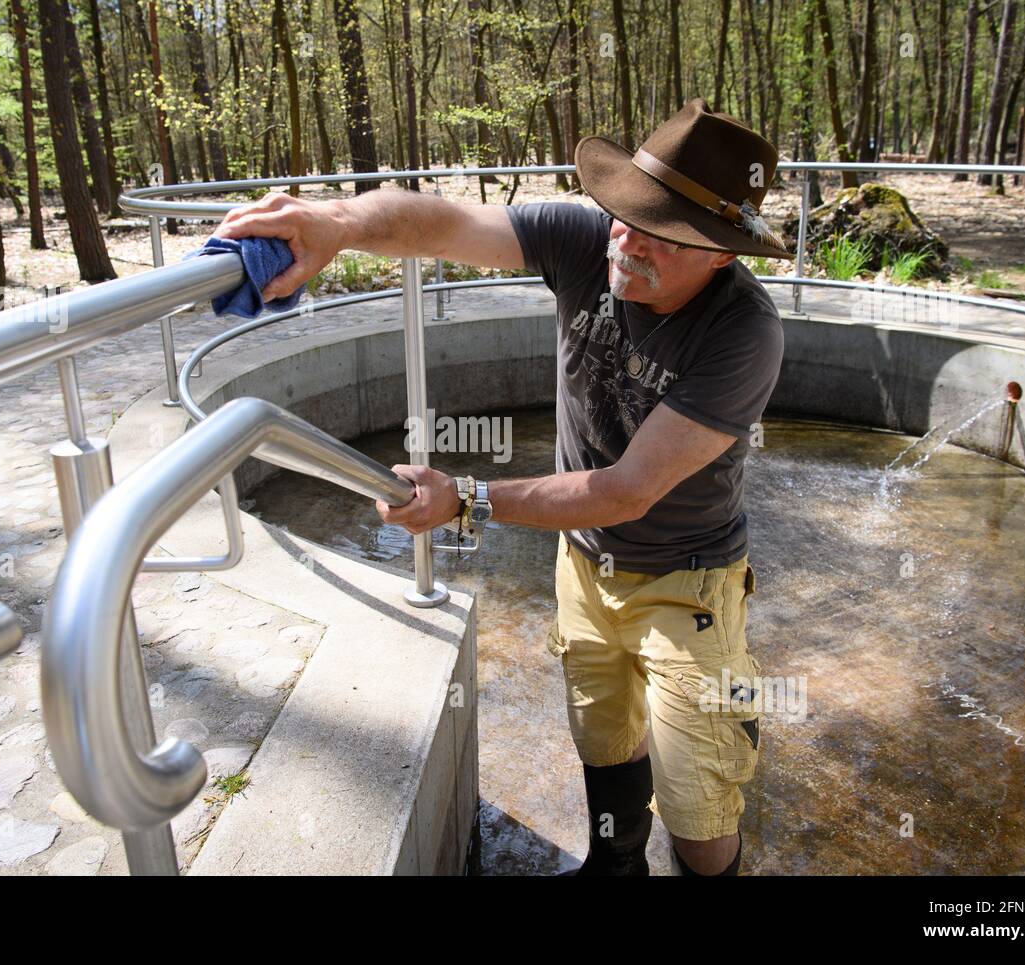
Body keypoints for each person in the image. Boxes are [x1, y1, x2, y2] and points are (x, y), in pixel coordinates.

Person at [212, 97, 789, 876]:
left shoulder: (743, 331)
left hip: (688, 584)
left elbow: (626, 488)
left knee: (700, 805)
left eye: (663, 235)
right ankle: (615, 865)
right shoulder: (586, 242)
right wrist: (339, 222)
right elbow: (441, 223)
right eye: (627, 215)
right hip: (584, 565)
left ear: (721, 253)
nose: (628, 241)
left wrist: (469, 499)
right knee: (604, 736)